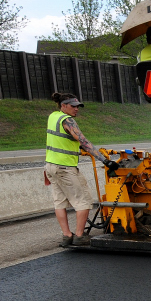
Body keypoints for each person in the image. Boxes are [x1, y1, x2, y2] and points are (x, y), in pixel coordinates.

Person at [45, 92, 119, 247]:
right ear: (63, 105)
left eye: (78, 107)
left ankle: (67, 235)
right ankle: (79, 236)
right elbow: (83, 141)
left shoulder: (53, 117)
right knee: (84, 201)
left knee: (59, 203)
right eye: (73, 106)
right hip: (65, 168)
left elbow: (63, 140)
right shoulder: (67, 121)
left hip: (51, 166)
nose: (76, 109)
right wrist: (105, 160)